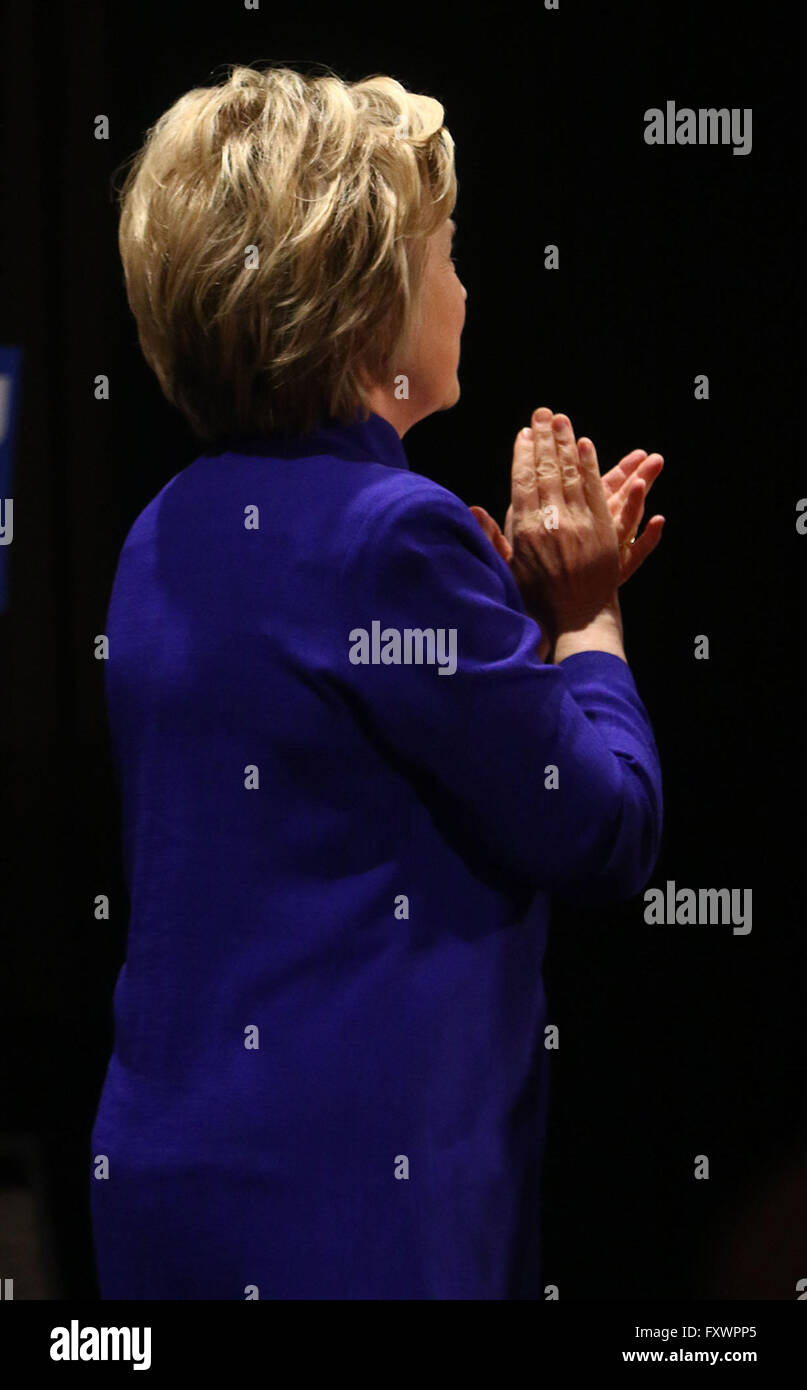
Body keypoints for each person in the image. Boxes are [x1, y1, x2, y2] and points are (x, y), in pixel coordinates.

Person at [89, 62, 666, 1300]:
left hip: (168, 1197)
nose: (463, 283)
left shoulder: (160, 533)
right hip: (356, 1214)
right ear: (364, 295)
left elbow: (340, 758)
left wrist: (500, 618)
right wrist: (585, 613)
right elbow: (607, 824)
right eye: (444, 250)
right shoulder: (396, 536)